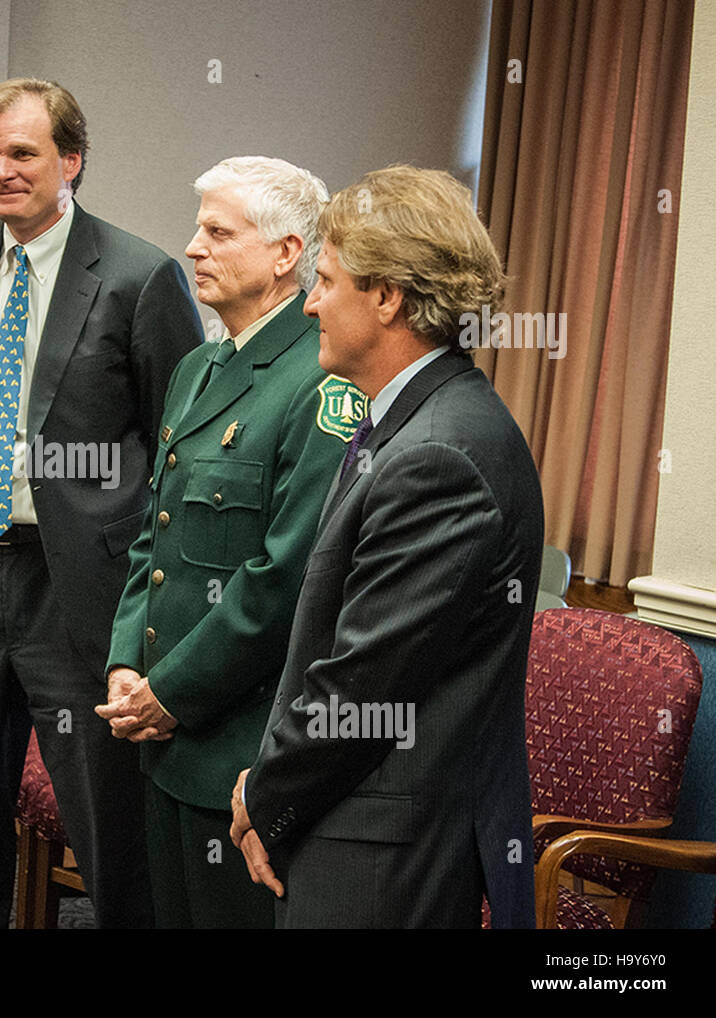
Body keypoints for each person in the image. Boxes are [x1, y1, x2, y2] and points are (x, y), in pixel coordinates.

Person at [0, 77, 204, 928]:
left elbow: (171, 445)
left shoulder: (139, 276)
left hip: (80, 590)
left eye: (24, 154)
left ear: (71, 161)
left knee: (104, 826)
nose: (3, 171)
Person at [230, 164, 543, 929]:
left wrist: (260, 795)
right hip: (363, 820)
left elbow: (363, 688)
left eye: (325, 282)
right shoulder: (419, 420)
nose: (308, 305)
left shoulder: (439, 454)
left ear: (388, 296)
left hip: (380, 849)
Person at [98, 157, 350, 928]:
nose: (194, 247)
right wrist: (124, 661)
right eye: (197, 228)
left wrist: (170, 692)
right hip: (164, 733)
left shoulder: (322, 380)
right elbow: (156, 534)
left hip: (238, 742)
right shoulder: (199, 368)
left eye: (218, 231)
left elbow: (284, 575)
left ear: (285, 253)